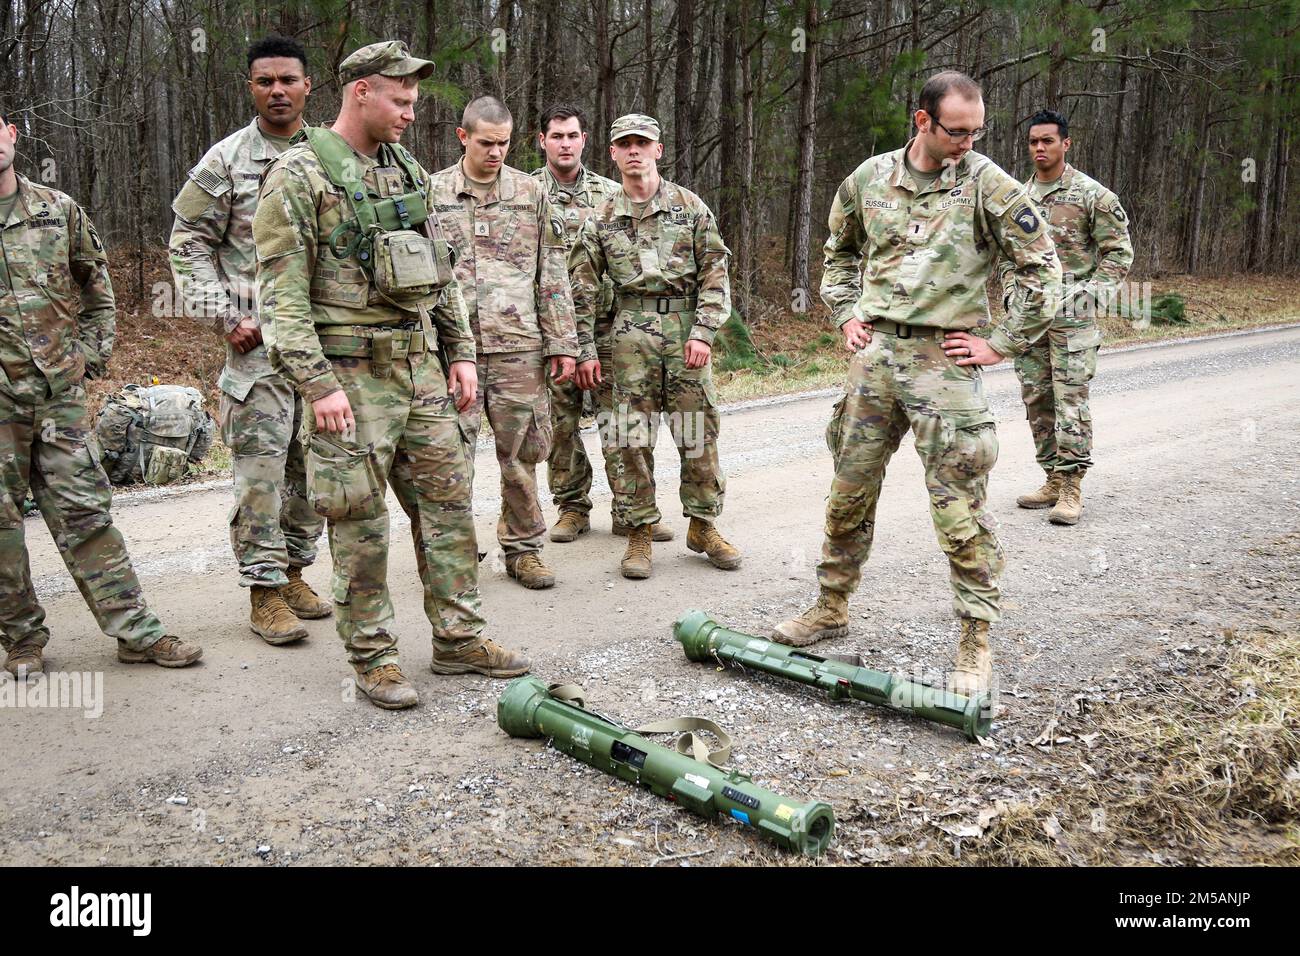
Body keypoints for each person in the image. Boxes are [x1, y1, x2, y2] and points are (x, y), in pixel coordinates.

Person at [253, 41, 530, 710]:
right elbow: (281, 300)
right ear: (360, 94)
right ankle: (374, 659)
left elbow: (441, 269)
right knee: (360, 522)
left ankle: (460, 638)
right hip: (349, 377)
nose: (410, 113)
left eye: (412, 101)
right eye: (399, 100)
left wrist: (459, 350)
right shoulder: (299, 176)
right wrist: (317, 385)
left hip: (420, 366)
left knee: (448, 507)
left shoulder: (405, 168)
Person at [771, 72, 1062, 696]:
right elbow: (839, 250)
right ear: (921, 121)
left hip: (946, 364)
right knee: (849, 491)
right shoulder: (869, 179)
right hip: (876, 359)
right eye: (956, 131)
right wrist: (845, 312)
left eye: (976, 130)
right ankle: (830, 605)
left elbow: (1043, 270)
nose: (967, 142)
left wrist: (999, 342)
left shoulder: (988, 184)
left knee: (959, 505)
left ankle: (975, 637)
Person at [0, 110, 202, 675]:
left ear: (11, 134)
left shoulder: (56, 210)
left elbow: (97, 286)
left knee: (87, 516)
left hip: (57, 398)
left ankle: (136, 632)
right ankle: (22, 641)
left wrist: (91, 356)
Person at [169, 35, 329, 646]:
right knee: (260, 475)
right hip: (256, 345)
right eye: (265, 81)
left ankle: (293, 571)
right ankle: (263, 592)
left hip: (318, 345)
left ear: (308, 86)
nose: (277, 91)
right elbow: (187, 243)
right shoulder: (226, 159)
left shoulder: (330, 155)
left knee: (312, 472)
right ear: (251, 88)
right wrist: (223, 312)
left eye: (288, 80)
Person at [568, 113, 741, 580]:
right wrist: (585, 349)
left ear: (658, 150)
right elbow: (581, 290)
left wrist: (704, 331)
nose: (634, 151)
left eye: (642, 143)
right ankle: (640, 531)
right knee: (629, 437)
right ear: (612, 153)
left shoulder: (689, 206)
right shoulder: (601, 218)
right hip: (629, 333)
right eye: (624, 144)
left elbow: (715, 271)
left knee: (695, 431)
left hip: (685, 328)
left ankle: (703, 525)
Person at [428, 96, 579, 590]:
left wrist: (562, 342)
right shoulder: (433, 193)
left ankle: (523, 549)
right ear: (462, 136)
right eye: (486, 142)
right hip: (454, 351)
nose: (496, 152)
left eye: (504, 143)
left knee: (521, 455)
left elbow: (551, 270)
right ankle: (452, 550)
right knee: (450, 456)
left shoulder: (530, 192)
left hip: (519, 347)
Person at [532, 104, 673, 545]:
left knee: (621, 423)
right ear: (543, 142)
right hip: (552, 331)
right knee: (561, 423)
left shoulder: (612, 194)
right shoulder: (527, 193)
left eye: (572, 135)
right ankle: (572, 508)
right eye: (557, 136)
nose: (565, 144)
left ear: (585, 140)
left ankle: (631, 509)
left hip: (609, 327)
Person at [999, 109, 1132, 525]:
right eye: (1034, 142)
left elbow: (1118, 253)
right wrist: (1009, 295)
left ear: (1066, 144)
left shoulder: (1093, 196)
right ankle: (1052, 477)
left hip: (1073, 319)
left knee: (1070, 399)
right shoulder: (1017, 198)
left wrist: (1090, 295)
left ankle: (1072, 486)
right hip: (1030, 317)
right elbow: (1008, 256)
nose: (1040, 148)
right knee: (1037, 399)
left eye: (1048, 141)